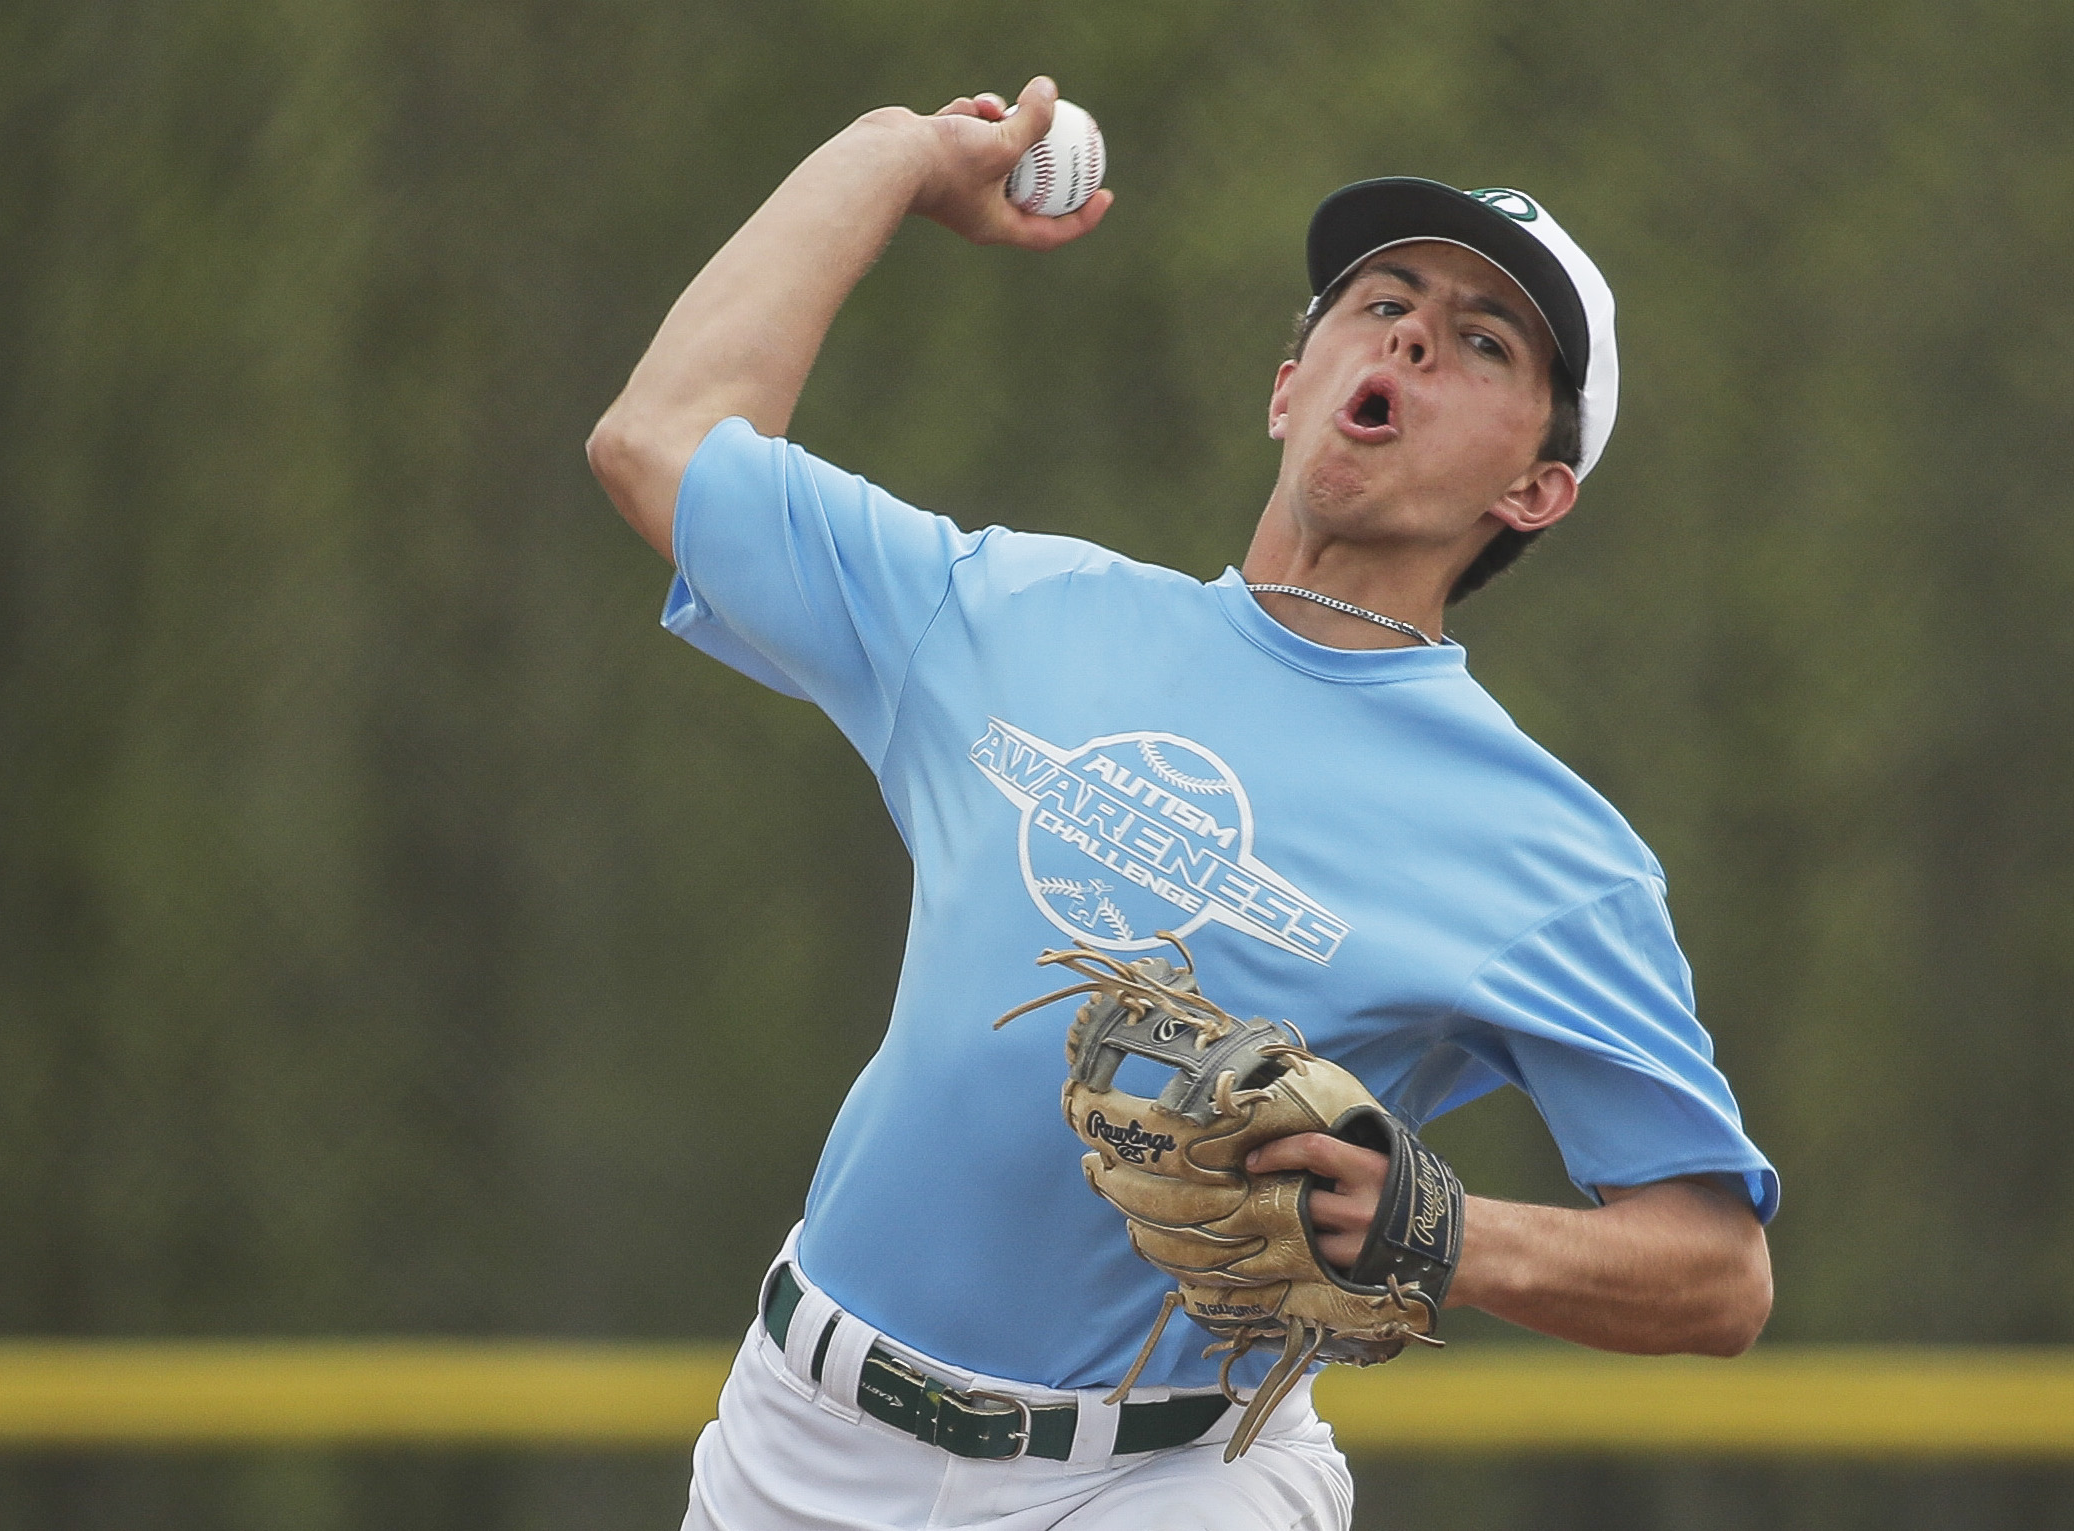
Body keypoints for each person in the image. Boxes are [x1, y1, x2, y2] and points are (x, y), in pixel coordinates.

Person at [589, 76, 1777, 1531]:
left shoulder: (1549, 851)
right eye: (1381, 302)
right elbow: (660, 439)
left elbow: (1715, 1271)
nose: (1411, 336)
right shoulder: (1010, 611)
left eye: (1484, 342)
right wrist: (889, 156)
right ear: (1289, 386)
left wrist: (1445, 1234)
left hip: (1166, 1478)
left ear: (1535, 490)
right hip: (800, 1444)